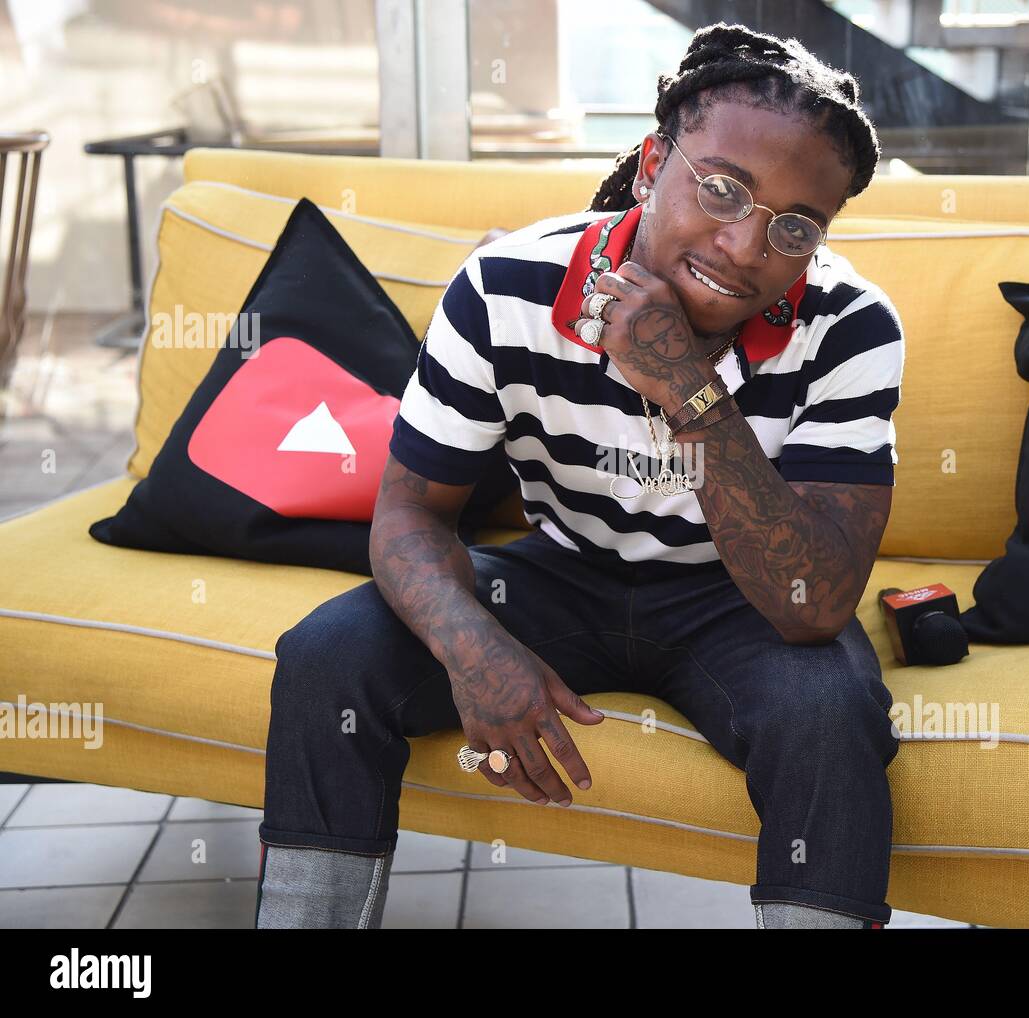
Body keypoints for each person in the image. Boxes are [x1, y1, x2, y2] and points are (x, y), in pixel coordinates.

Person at [255, 20, 905, 930]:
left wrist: (687, 386)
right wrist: (475, 650)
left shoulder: (850, 328)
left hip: (743, 603)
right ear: (650, 165)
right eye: (721, 189)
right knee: (327, 655)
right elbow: (409, 514)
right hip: (560, 573)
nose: (748, 246)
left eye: (795, 226)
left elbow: (812, 603)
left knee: (829, 712)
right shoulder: (506, 285)